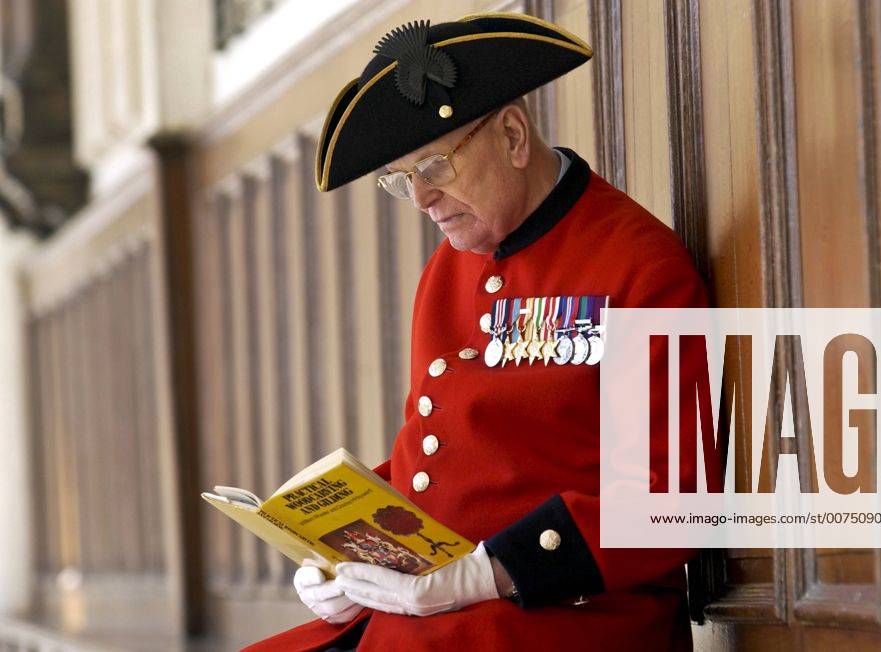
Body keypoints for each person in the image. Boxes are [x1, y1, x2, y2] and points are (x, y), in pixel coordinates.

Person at [244, 11, 709, 652]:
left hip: (564, 618)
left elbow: (667, 500)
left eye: (433, 166)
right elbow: (444, 457)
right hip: (438, 618)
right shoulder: (447, 268)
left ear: (514, 136)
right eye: (399, 179)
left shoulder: (639, 265)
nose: (420, 199)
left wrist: (489, 572)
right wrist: (344, 556)